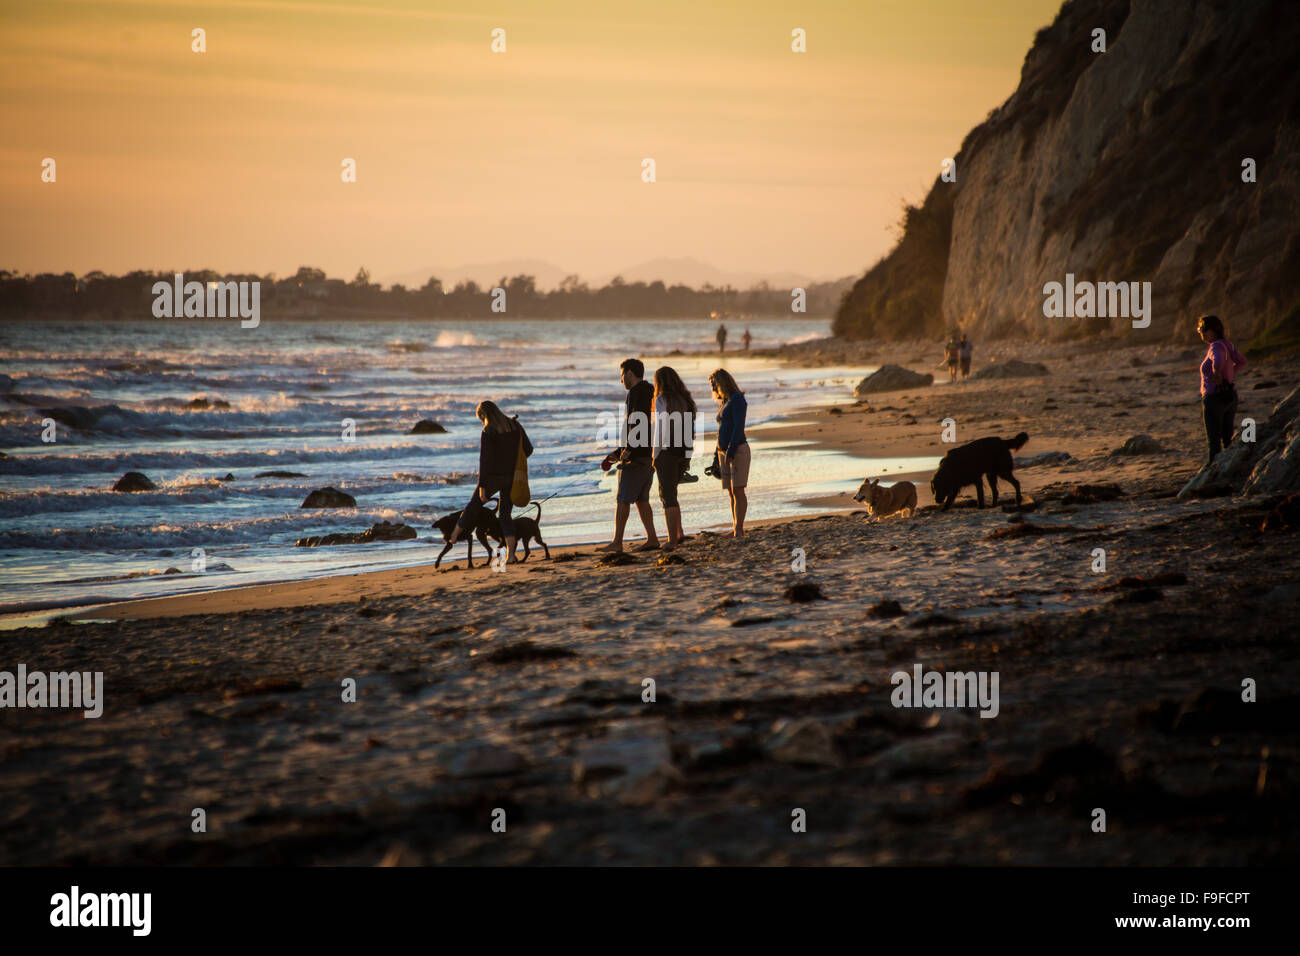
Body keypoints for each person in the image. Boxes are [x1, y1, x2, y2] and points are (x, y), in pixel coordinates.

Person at [446, 400, 532, 563]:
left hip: (493, 477)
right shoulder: (515, 425)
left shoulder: (488, 430)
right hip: (511, 477)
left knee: (473, 505)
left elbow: (485, 461)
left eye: (480, 418)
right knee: (505, 516)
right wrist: (514, 462)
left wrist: (482, 486)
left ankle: (454, 535)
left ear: (484, 416)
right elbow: (528, 449)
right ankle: (511, 555)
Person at [599, 358, 660, 552]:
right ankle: (652, 539)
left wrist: (628, 450)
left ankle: (617, 542)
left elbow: (638, 421)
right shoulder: (650, 390)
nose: (621, 380)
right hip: (649, 453)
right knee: (641, 499)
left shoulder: (637, 392)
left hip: (638, 455)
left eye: (621, 375)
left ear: (630, 374)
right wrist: (619, 451)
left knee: (623, 499)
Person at [651, 366, 696, 550]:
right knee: (673, 493)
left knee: (667, 496)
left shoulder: (662, 399)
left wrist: (655, 453)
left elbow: (660, 429)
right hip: (683, 450)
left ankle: (672, 540)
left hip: (667, 451)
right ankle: (679, 532)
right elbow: (691, 429)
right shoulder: (685, 399)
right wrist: (688, 453)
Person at [1196, 314, 1248, 464]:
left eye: (1202, 330)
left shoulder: (1216, 346)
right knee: (1227, 440)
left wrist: (1217, 372)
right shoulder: (1227, 344)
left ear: (1211, 331)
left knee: (1214, 442)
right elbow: (1242, 361)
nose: (1201, 333)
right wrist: (1228, 376)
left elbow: (1217, 359)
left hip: (1214, 398)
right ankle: (1230, 468)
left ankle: (1213, 474)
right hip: (1230, 395)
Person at [709, 368, 748, 539]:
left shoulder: (737, 399)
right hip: (723, 451)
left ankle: (739, 529)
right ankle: (735, 528)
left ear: (722, 382)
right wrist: (716, 454)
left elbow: (739, 427)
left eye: (714, 384)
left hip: (737, 449)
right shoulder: (724, 401)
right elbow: (721, 429)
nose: (712, 388)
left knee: (738, 490)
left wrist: (731, 449)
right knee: (730, 492)